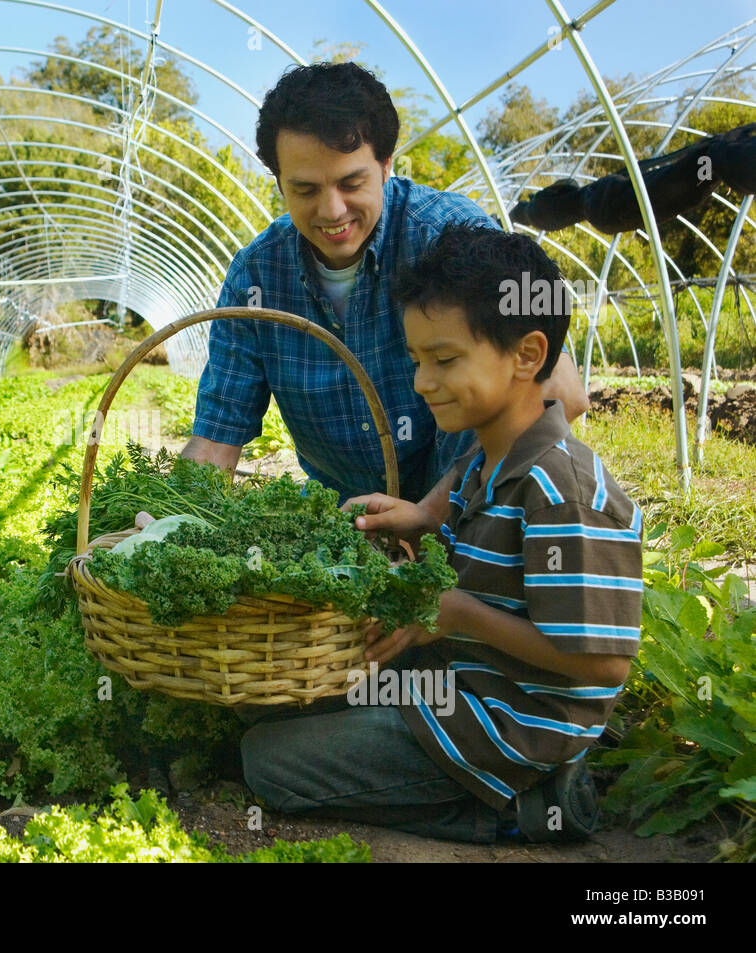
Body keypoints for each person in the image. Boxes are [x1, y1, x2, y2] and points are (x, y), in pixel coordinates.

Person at [239, 225, 643, 843]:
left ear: (528, 355)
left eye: (445, 360)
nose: (423, 382)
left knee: (268, 763)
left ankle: (525, 808)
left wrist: (455, 612)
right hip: (457, 681)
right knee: (264, 700)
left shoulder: (565, 493)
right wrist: (424, 513)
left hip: (512, 723)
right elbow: (457, 480)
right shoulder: (493, 455)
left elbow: (604, 662)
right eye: (418, 360)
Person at [183, 61, 590, 516]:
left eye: (351, 183)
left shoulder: (451, 231)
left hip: (478, 514)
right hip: (352, 528)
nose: (332, 210)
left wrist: (431, 514)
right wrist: (167, 524)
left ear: (386, 165)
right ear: (279, 182)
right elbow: (216, 438)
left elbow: (560, 389)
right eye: (304, 190)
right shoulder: (256, 276)